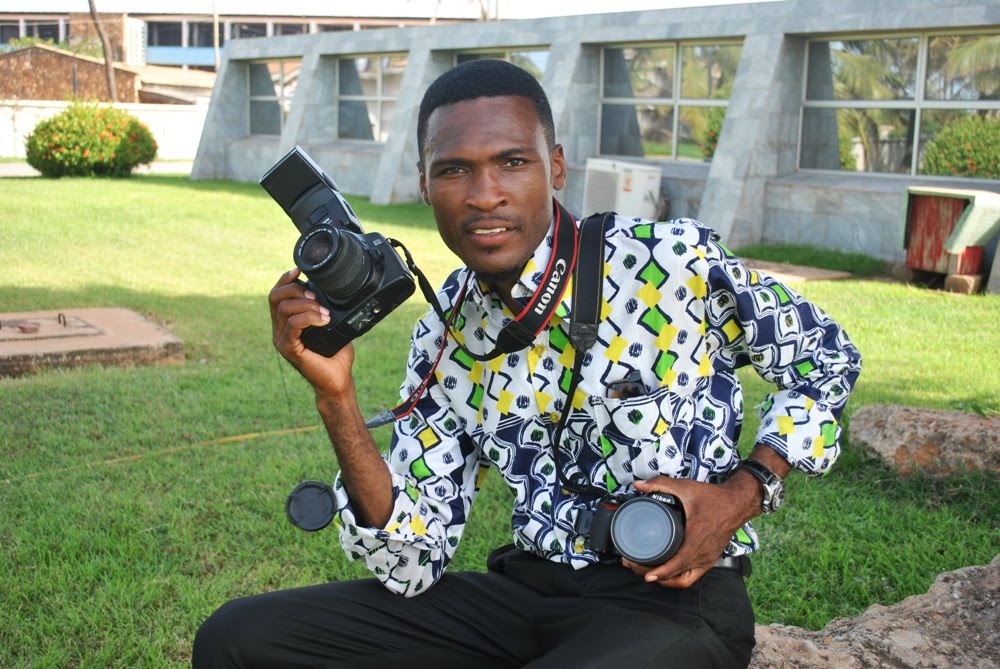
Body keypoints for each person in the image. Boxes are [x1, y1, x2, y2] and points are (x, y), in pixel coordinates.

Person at [193, 59, 861, 668]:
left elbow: (828, 360)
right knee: (237, 638)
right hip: (521, 598)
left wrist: (741, 495)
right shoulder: (445, 330)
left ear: (557, 168)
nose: (485, 194)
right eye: (454, 169)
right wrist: (335, 398)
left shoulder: (671, 264)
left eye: (512, 161)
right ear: (424, 184)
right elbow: (408, 559)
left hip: (672, 605)